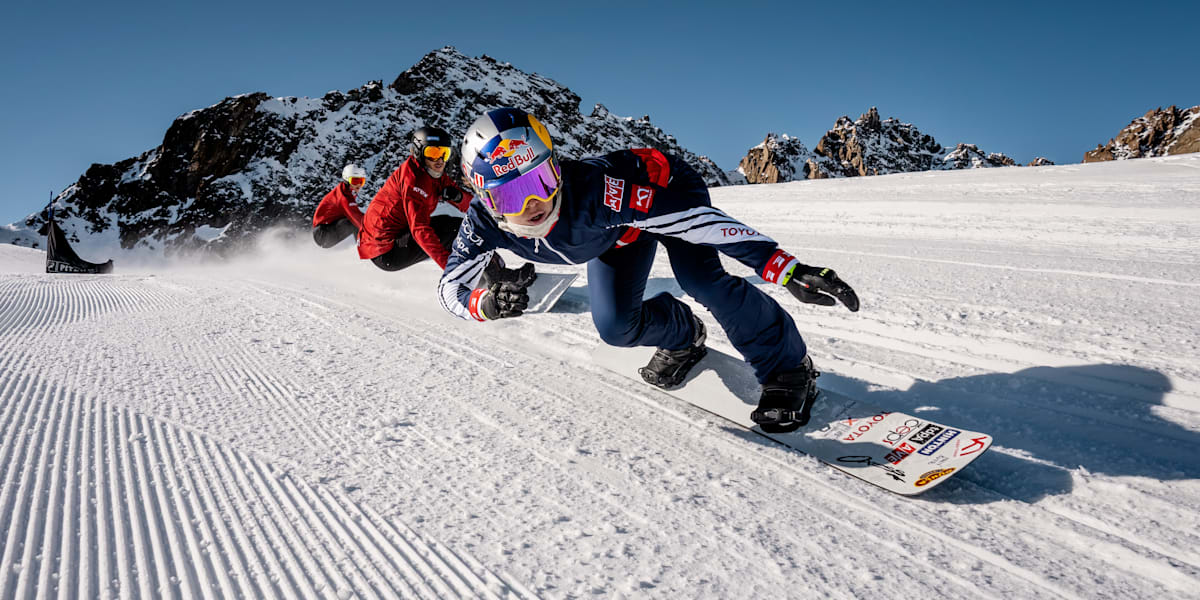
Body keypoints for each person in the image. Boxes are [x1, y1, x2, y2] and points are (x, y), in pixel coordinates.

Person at [438, 108, 860, 433]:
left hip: (666, 192)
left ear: (556, 167)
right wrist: (483, 303)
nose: (536, 204)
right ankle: (682, 334)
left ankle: (787, 366)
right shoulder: (480, 225)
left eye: (543, 179)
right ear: (484, 199)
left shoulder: (596, 194)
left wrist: (785, 268)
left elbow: (698, 224)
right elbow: (450, 288)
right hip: (618, 233)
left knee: (702, 279)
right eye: (513, 194)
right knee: (615, 328)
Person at [358, 126, 474, 271]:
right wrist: (450, 269)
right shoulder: (414, 180)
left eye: (445, 153)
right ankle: (476, 276)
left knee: (453, 224)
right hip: (386, 251)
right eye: (432, 152)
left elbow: (469, 204)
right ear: (420, 153)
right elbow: (420, 230)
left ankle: (477, 272)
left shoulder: (432, 172)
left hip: (389, 239)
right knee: (454, 228)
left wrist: (459, 198)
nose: (440, 160)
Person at [311, 164, 367, 248]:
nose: (358, 185)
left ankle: (360, 248)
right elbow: (357, 218)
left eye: (361, 182)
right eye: (355, 181)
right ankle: (364, 250)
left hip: (327, 229)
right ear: (347, 180)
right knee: (354, 223)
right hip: (323, 234)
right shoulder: (344, 197)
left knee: (355, 222)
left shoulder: (345, 191)